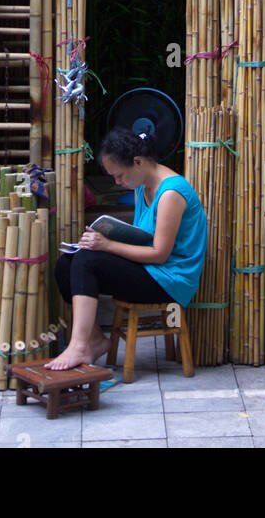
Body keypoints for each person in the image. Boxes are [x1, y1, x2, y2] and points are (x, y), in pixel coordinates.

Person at [46, 127, 208, 371]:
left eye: (119, 175)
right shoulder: (142, 187)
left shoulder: (171, 193)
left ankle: (78, 346)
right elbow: (140, 237)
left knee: (87, 261)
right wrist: (106, 237)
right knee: (66, 264)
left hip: (170, 280)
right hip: (149, 270)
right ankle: (94, 340)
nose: (117, 182)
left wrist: (108, 245)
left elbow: (159, 254)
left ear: (138, 162)